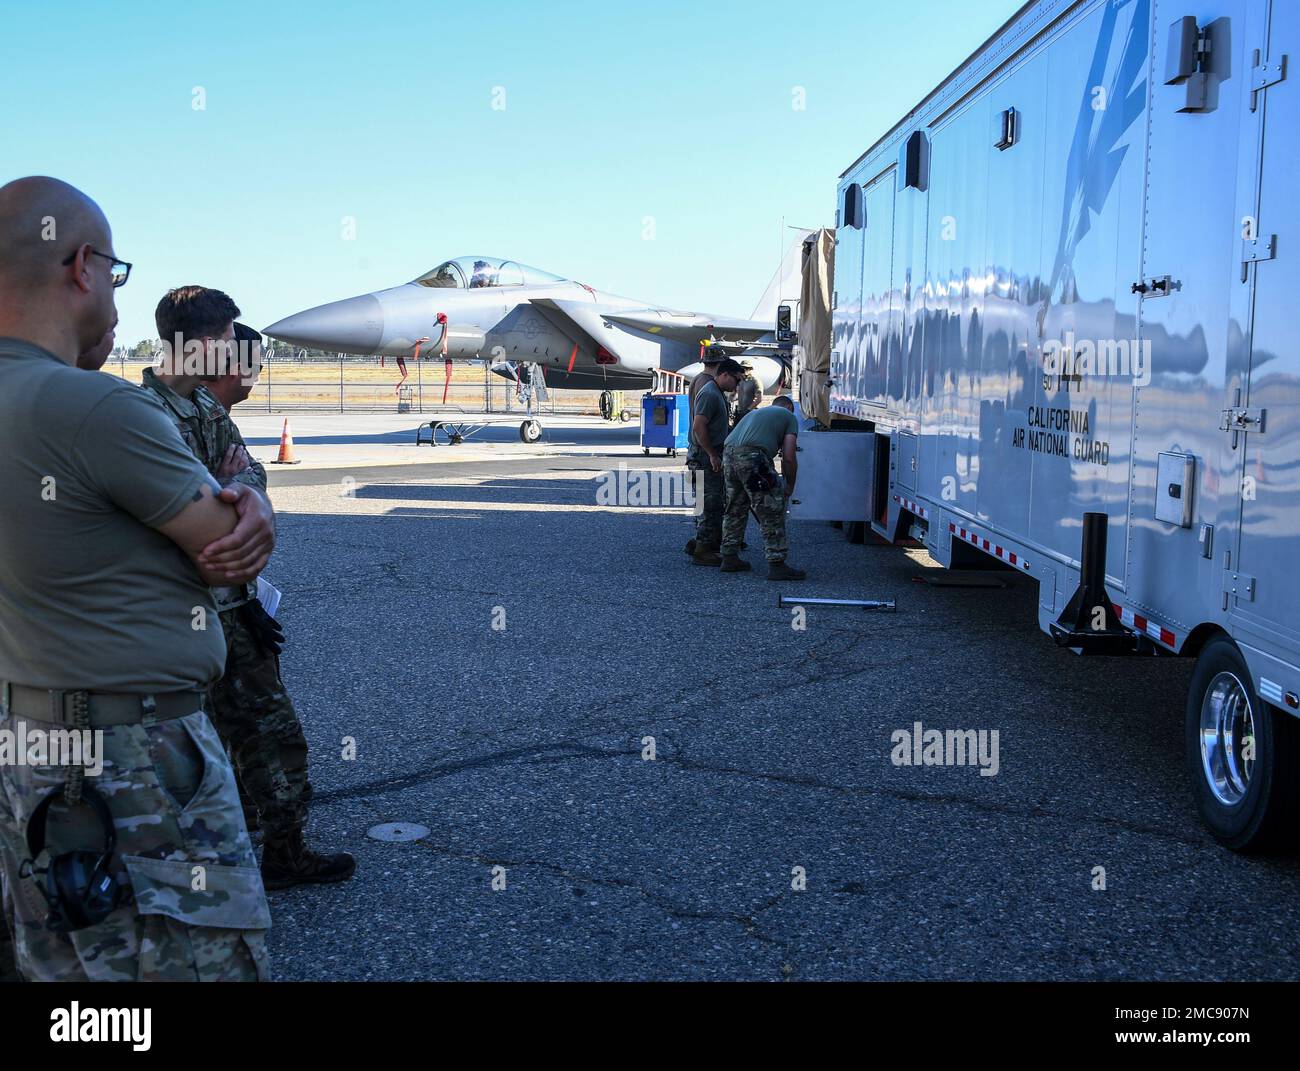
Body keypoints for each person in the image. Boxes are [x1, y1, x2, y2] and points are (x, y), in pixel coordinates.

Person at [0, 176, 274, 980]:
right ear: (81, 267)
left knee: (66, 982)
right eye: (114, 274)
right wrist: (255, 501)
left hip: (25, 747)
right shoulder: (98, 410)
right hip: (131, 758)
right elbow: (233, 544)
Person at [144, 295, 354, 890]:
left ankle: (280, 852)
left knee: (271, 737)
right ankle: (205, 865)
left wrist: (241, 486)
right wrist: (231, 486)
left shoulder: (205, 407)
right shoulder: (143, 415)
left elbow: (249, 475)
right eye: (229, 337)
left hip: (237, 608)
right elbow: (193, 509)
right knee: (191, 745)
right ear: (204, 345)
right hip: (180, 612)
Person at [719, 396, 807, 580]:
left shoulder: (756, 413)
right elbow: (789, 456)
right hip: (752, 457)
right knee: (771, 508)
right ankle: (777, 564)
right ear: (789, 407)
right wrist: (789, 484)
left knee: (735, 507)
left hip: (728, 454)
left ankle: (729, 556)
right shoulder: (788, 417)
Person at [685, 358, 743, 566]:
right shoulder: (710, 393)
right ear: (725, 374)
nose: (738, 385)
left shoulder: (716, 391)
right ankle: (703, 550)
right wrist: (711, 453)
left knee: (711, 502)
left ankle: (703, 542)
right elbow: (698, 426)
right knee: (709, 503)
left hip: (707, 454)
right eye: (736, 380)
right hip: (703, 456)